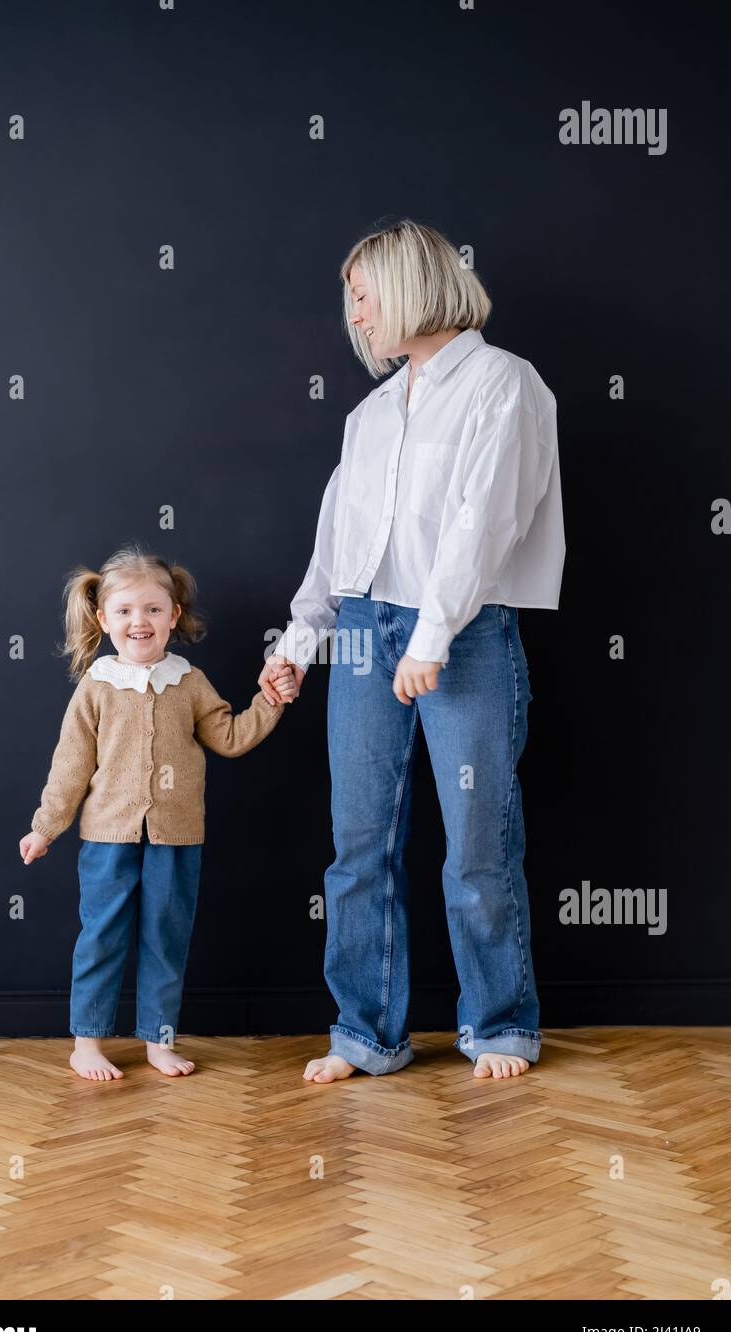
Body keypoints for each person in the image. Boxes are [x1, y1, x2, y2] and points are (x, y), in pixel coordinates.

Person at [258, 219, 565, 1084]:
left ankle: (499, 1024)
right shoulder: (371, 413)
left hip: (461, 634)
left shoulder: (504, 384)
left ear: (413, 284)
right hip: (362, 631)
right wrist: (301, 640)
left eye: (363, 294)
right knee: (357, 845)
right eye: (348, 300)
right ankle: (365, 1032)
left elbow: (486, 522)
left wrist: (431, 637)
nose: (352, 315)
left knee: (477, 842)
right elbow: (339, 539)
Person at [19, 543, 292, 1081]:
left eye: (151, 610)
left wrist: (271, 702)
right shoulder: (97, 686)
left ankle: (158, 1039)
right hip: (107, 837)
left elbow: (230, 737)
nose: (138, 622)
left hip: (177, 836)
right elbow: (70, 765)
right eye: (124, 611)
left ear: (174, 617)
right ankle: (88, 1042)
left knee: (166, 937)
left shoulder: (188, 682)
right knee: (102, 936)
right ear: (104, 619)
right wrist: (45, 827)